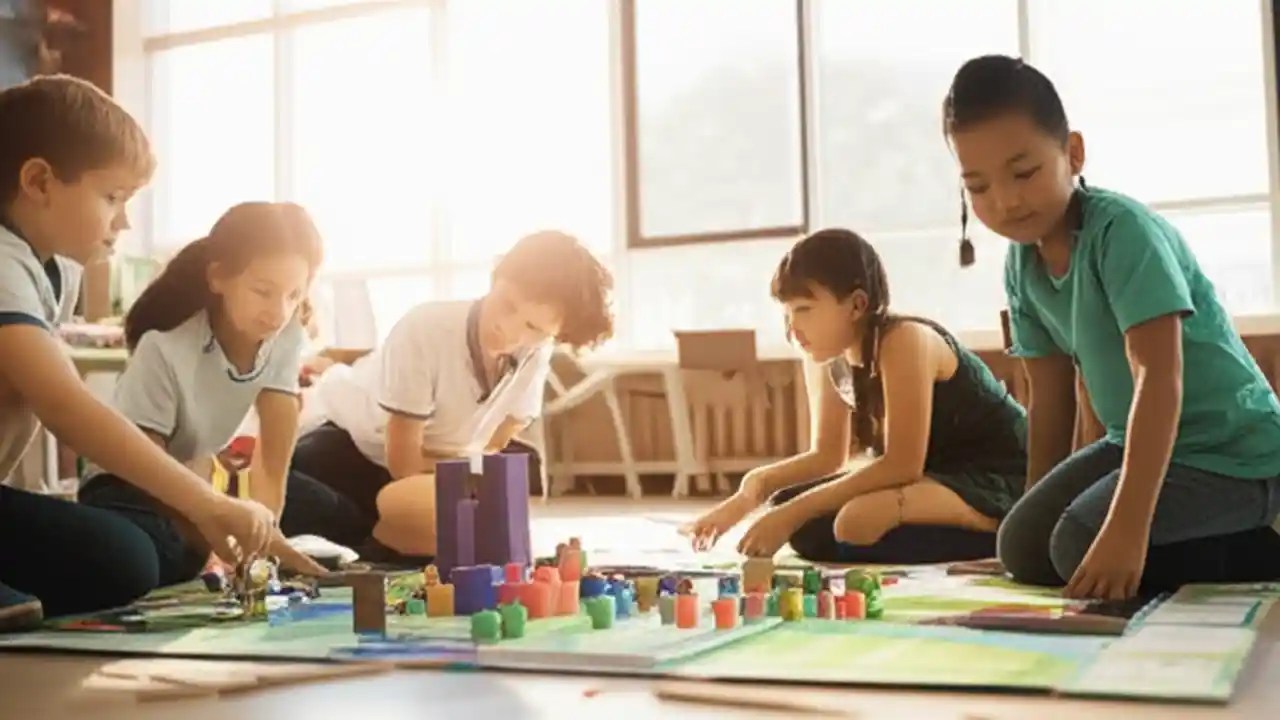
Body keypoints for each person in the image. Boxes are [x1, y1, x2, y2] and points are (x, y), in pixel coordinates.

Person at [943, 54, 1280, 599]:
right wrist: (1030, 512)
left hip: (1233, 453)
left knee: (1078, 544)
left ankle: (1264, 543)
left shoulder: (1123, 232)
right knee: (1024, 548)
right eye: (978, 187)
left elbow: (1159, 378)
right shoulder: (1021, 262)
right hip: (1137, 444)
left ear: (1073, 153)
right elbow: (1050, 400)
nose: (1005, 201)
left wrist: (1127, 528)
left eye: (1024, 172)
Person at [0, 75, 320, 631]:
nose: (123, 220)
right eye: (112, 197)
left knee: (122, 557)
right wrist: (208, 504)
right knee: (122, 557)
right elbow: (66, 408)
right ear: (39, 182)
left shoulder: (57, 269)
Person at [682, 229, 1027, 563]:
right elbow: (826, 456)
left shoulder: (904, 340)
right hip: (931, 479)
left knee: (852, 520)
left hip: (995, 474)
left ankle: (1004, 527)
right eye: (786, 313)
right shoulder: (827, 355)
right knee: (802, 524)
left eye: (803, 309)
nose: (792, 328)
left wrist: (791, 513)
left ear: (857, 305)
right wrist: (747, 496)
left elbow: (902, 464)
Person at [280, 230, 614, 565]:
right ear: (495, 276)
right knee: (325, 519)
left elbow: (493, 444)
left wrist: (462, 475)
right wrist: (463, 471)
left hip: (423, 470)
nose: (511, 331)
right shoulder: (427, 327)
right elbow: (404, 463)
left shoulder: (536, 350)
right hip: (345, 444)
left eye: (535, 328)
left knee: (435, 532)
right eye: (507, 305)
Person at [78, 201, 325, 594]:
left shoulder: (287, 337)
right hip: (130, 486)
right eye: (263, 291)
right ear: (218, 278)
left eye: (293, 295)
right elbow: (147, 469)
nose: (278, 312)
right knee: (149, 555)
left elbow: (273, 465)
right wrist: (217, 523)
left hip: (192, 492)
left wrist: (265, 542)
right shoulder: (164, 349)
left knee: (195, 553)